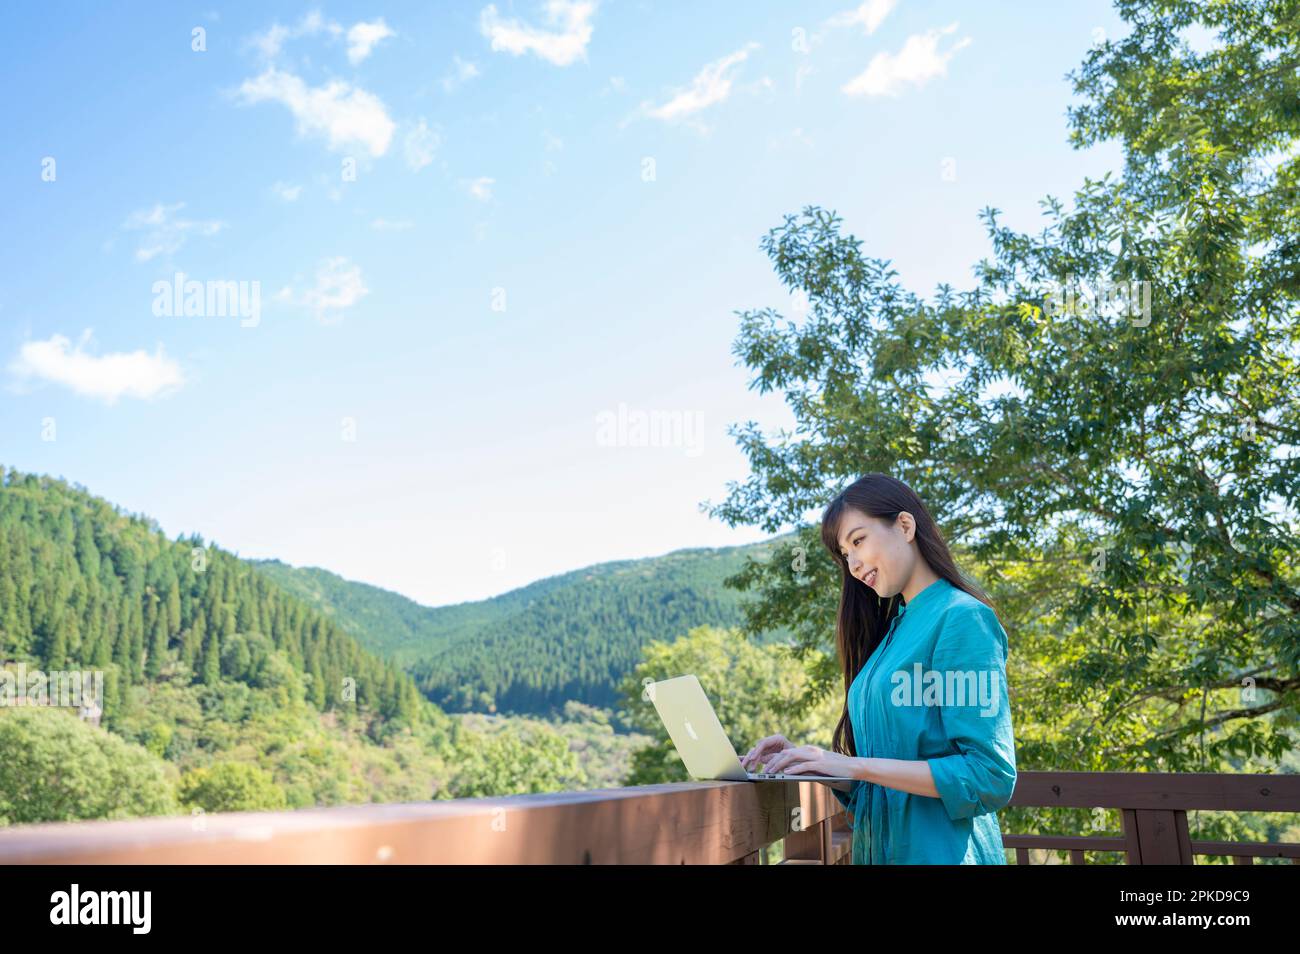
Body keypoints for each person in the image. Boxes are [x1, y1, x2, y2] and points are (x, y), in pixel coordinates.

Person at [741, 473, 1017, 864]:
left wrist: (854, 765)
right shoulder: (892, 633)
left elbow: (988, 775)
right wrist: (814, 763)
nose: (852, 564)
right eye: (844, 553)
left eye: (858, 541)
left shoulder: (961, 619)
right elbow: (884, 778)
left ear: (905, 526)